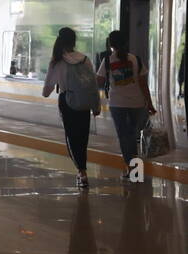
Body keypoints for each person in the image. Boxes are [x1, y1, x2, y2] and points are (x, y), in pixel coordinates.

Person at [43, 26, 103, 188]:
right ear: (74, 42)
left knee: (72, 137)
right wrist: (96, 106)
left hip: (67, 101)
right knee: (83, 137)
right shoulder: (85, 59)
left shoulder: (57, 62)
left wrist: (54, 84)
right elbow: (93, 86)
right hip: (84, 101)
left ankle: (81, 172)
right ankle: (82, 170)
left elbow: (46, 92)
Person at [95, 29, 155, 181]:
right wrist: (150, 104)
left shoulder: (108, 60)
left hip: (118, 104)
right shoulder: (136, 59)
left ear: (110, 44)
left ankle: (133, 170)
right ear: (125, 42)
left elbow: (99, 82)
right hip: (137, 104)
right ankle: (136, 171)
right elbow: (143, 85)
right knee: (134, 137)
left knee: (124, 137)